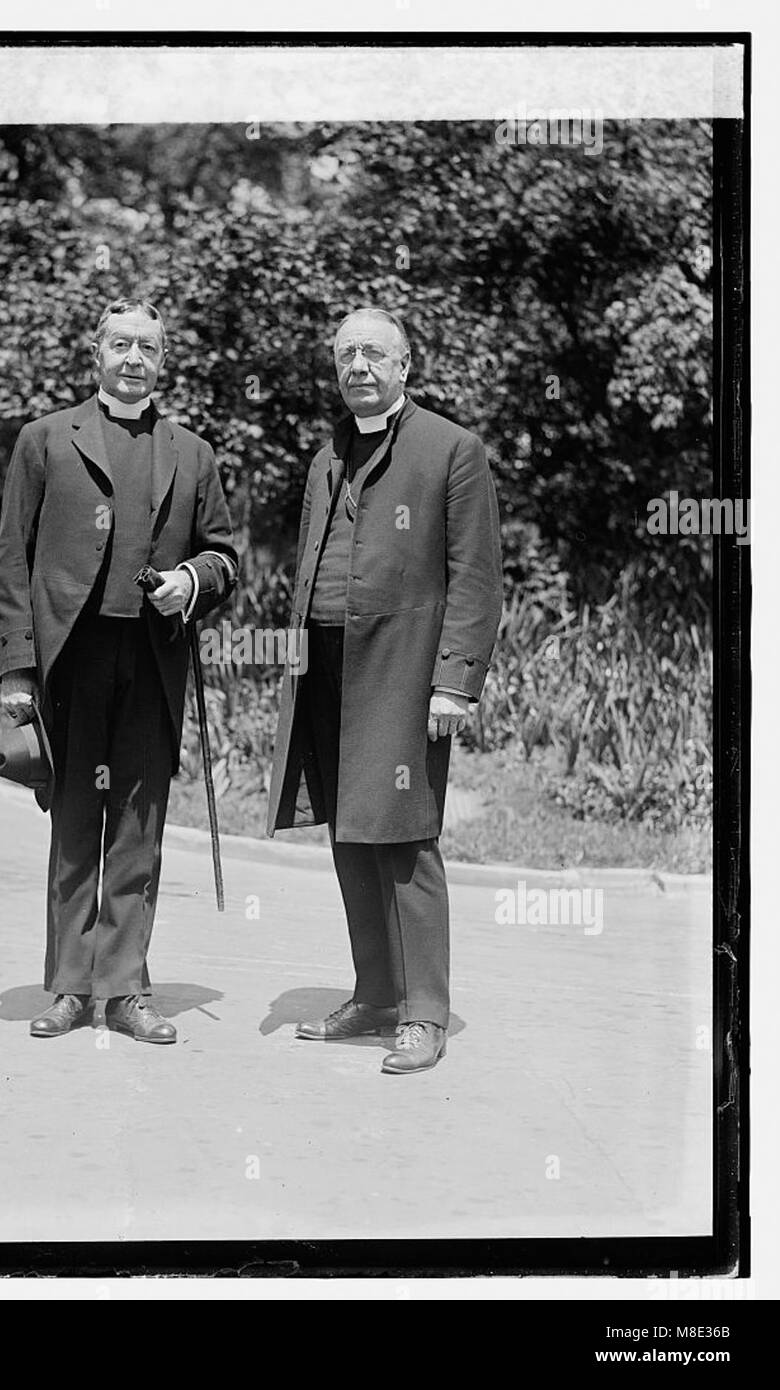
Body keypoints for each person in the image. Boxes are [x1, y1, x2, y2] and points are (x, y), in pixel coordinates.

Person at [0, 297, 237, 1045]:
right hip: (71, 660)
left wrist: (190, 581)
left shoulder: (193, 453)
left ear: (164, 362)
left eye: (148, 348)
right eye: (121, 344)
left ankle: (126, 989)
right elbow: (11, 562)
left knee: (139, 827)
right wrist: (16, 670)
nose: (134, 359)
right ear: (95, 352)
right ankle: (68, 986)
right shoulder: (43, 441)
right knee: (72, 825)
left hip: (152, 661)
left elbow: (226, 556)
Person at [266, 306, 503, 1075]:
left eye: (373, 354)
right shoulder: (327, 455)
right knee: (349, 834)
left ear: (405, 366)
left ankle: (424, 1013)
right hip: (327, 667)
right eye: (345, 357)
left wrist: (454, 685)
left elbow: (476, 581)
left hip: (404, 672)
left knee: (404, 838)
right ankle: (374, 998)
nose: (358, 368)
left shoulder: (451, 450)